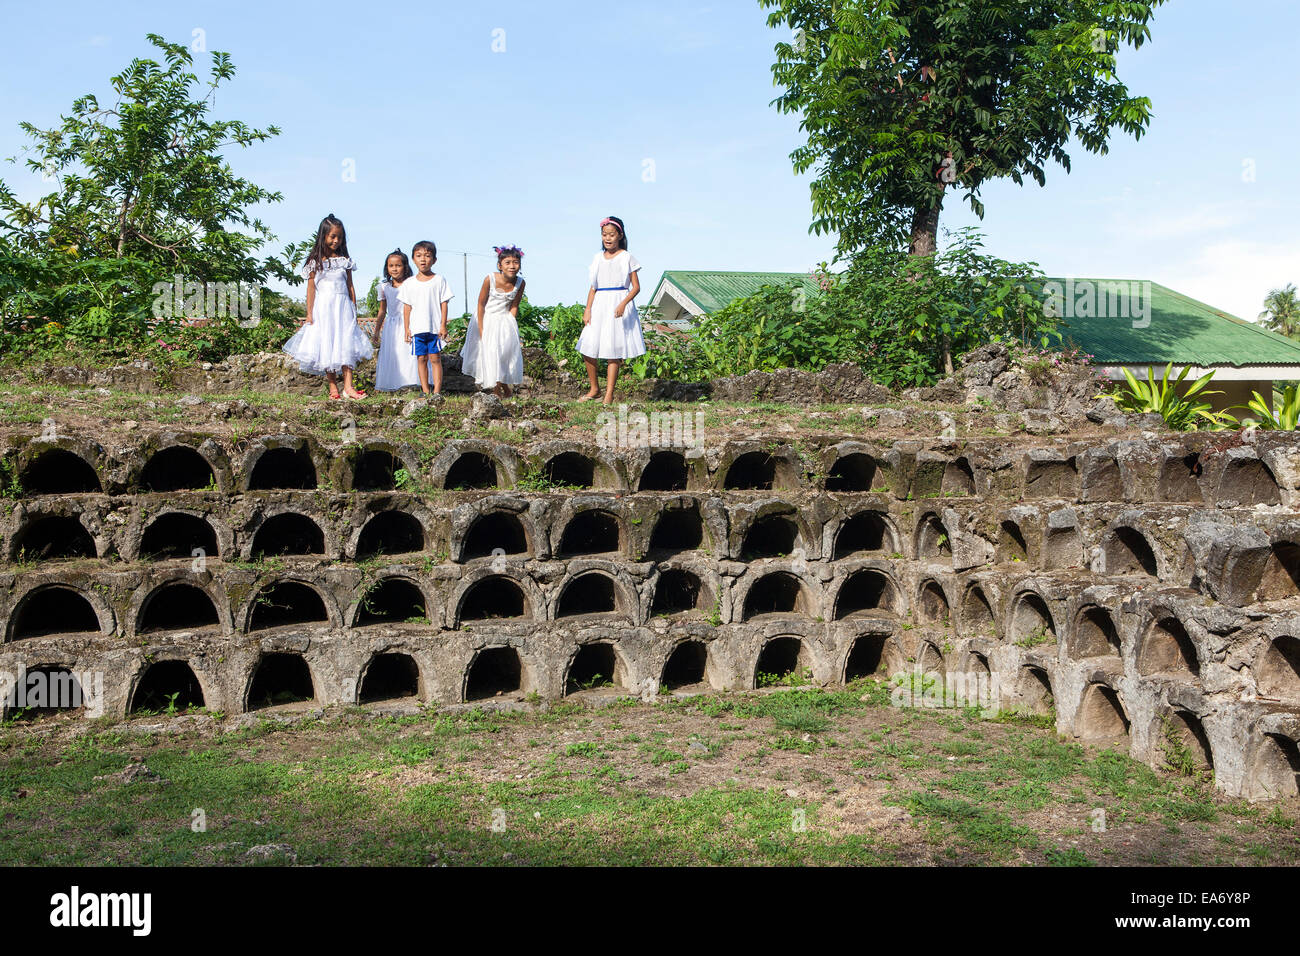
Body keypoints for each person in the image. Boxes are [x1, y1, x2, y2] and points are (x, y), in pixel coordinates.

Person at [282, 213, 372, 399]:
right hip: (323, 308)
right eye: (332, 236)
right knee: (327, 345)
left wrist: (353, 307)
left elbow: (350, 286)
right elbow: (311, 290)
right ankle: (333, 387)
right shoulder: (315, 263)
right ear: (323, 236)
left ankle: (348, 387)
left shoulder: (345, 261)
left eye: (339, 237)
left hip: (343, 307)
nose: (336, 240)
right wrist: (309, 314)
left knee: (346, 343)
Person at [576, 215, 644, 403]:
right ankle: (594, 388)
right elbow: (593, 287)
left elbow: (636, 287)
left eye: (611, 235)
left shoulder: (627, 257)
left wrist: (623, 303)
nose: (607, 238)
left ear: (620, 235)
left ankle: (609, 395)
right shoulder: (597, 258)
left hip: (618, 302)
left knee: (613, 349)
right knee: (588, 346)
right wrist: (587, 309)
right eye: (604, 234)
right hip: (599, 303)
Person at [397, 239, 453, 398]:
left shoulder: (439, 280)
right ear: (413, 259)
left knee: (435, 358)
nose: (423, 259)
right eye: (419, 255)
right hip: (417, 328)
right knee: (421, 358)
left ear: (434, 260)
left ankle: (436, 391)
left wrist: (443, 325)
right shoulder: (409, 283)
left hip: (434, 327)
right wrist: (407, 328)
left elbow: (444, 303)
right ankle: (425, 390)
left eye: (427, 256)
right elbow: (407, 308)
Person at [473, 245, 526, 398]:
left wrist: (510, 325)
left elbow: (514, 305)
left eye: (515, 262)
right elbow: (481, 304)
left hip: (505, 321)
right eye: (508, 262)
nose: (512, 266)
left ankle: (507, 390)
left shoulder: (520, 283)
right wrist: (482, 329)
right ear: (500, 265)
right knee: (492, 355)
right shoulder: (490, 279)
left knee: (503, 356)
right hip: (487, 318)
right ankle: (496, 393)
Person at [372, 249, 420, 391]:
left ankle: (411, 382)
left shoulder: (411, 284)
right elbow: (382, 311)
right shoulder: (384, 287)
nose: (394, 269)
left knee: (407, 353)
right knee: (394, 354)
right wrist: (376, 331)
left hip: (408, 323)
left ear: (405, 267)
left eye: (398, 265)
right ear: (387, 268)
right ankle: (393, 383)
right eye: (391, 266)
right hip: (391, 325)